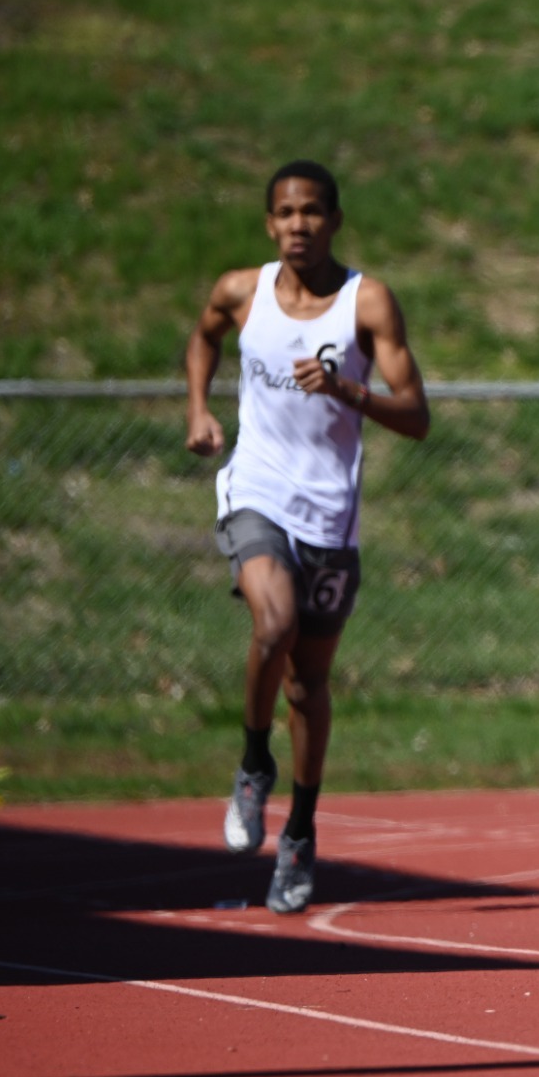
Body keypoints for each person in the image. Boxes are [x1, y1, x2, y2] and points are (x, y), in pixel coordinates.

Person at [184, 160, 430, 914]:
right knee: (275, 621)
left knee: (309, 683)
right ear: (270, 224)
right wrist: (198, 407)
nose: (299, 225)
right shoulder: (241, 291)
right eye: (286, 213)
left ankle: (299, 829)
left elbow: (416, 414)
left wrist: (351, 389)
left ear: (335, 220)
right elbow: (203, 339)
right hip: (255, 487)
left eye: (313, 212)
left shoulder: (367, 302)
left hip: (331, 512)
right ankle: (254, 761)